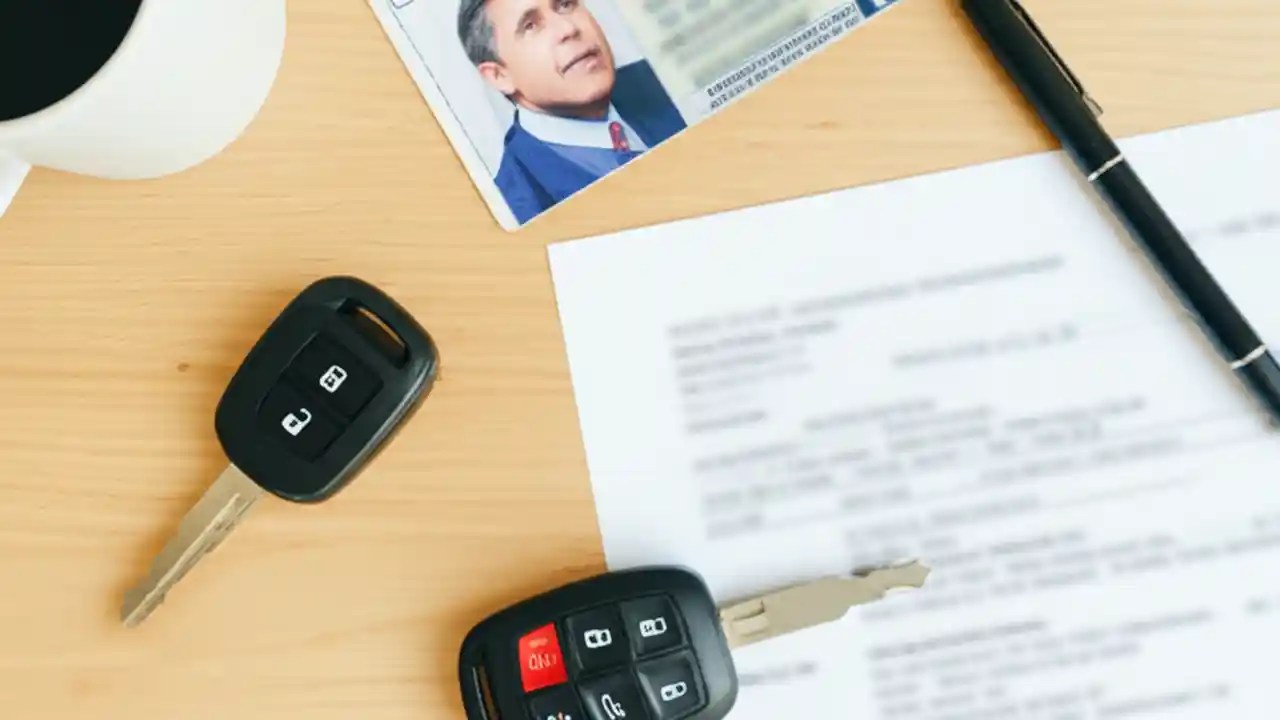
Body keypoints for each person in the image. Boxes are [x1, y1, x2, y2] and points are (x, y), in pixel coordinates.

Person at [457, 0, 687, 223]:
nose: (568, 29)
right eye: (531, 26)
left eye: (565, 4)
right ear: (499, 76)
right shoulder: (518, 208)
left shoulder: (668, 74)